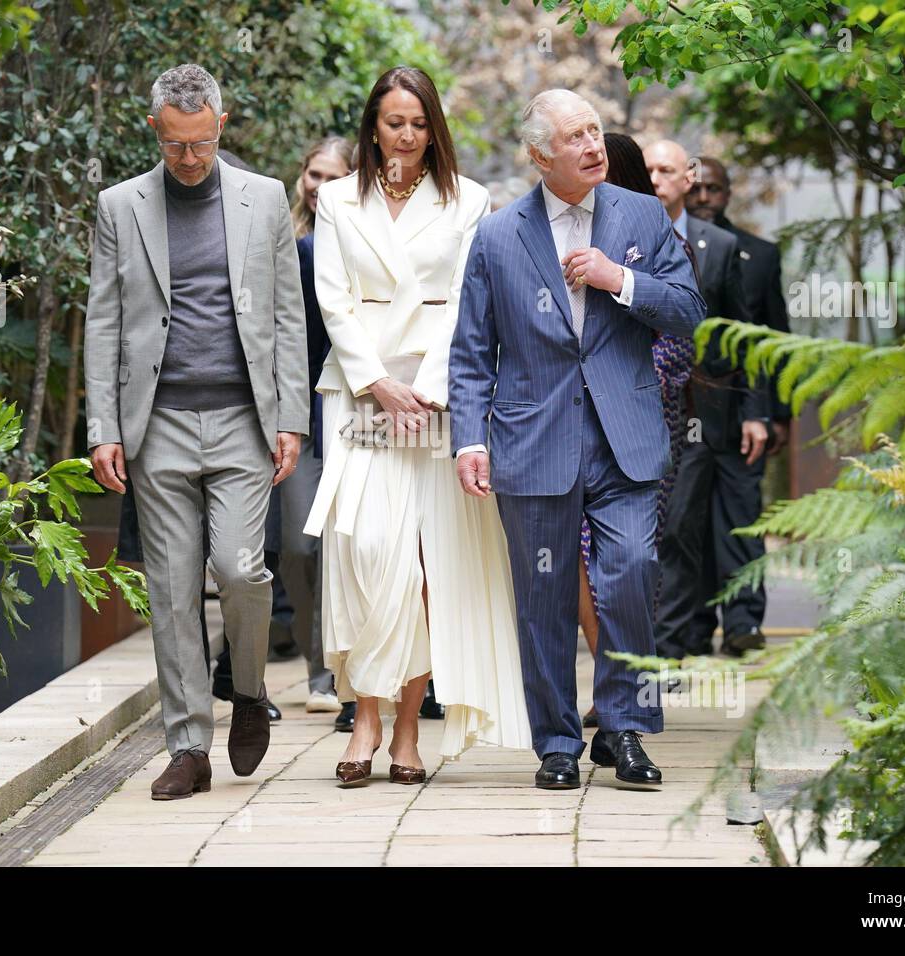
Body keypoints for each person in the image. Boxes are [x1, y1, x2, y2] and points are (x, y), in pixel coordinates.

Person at [450, 91, 705, 791]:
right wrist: (469, 441)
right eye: (575, 137)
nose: (594, 145)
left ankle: (623, 729)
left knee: (629, 572)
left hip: (625, 436)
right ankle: (557, 741)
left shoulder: (643, 215)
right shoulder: (499, 236)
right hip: (532, 442)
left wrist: (619, 278)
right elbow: (472, 352)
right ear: (539, 155)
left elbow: (688, 312)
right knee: (544, 597)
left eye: (596, 130)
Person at [84, 64, 309, 800]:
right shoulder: (121, 206)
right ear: (156, 128)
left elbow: (285, 316)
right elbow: (106, 321)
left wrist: (290, 418)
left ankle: (246, 690)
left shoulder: (265, 198)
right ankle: (187, 743)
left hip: (244, 420)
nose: (190, 159)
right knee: (173, 588)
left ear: (221, 122)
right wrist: (103, 428)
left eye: (202, 144)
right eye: (177, 145)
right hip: (159, 425)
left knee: (243, 570)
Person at [303, 66, 531, 786]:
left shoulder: (470, 200)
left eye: (419, 122)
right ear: (373, 125)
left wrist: (426, 390)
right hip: (362, 395)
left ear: (434, 127)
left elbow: (470, 300)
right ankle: (362, 709)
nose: (407, 134)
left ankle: (403, 728)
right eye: (394, 121)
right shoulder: (338, 200)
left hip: (435, 396)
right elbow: (333, 299)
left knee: (425, 567)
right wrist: (376, 383)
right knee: (367, 555)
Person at [576, 132, 697, 728]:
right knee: (577, 554)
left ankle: (629, 686)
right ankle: (613, 680)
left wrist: (620, 379)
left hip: (646, 419)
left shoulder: (656, 239)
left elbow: (679, 342)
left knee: (629, 558)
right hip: (573, 421)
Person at [643, 140, 766, 660]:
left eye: (665, 170)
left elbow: (745, 335)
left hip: (697, 412)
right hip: (635, 405)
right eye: (646, 169)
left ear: (687, 178)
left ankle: (668, 652)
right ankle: (647, 646)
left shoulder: (717, 245)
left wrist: (755, 412)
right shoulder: (622, 237)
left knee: (679, 531)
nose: (654, 179)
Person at [683, 155, 792, 652]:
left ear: (728, 194)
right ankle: (697, 626)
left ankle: (745, 622)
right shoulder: (669, 247)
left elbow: (771, 340)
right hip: (685, 412)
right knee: (690, 523)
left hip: (739, 411)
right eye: (697, 189)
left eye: (715, 189)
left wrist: (772, 414)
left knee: (743, 519)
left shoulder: (759, 255)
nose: (704, 197)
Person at [280, 135, 353, 718]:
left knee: (351, 542)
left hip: (360, 407)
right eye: (314, 175)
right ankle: (318, 664)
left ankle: (338, 674)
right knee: (300, 545)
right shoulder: (285, 244)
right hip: (299, 413)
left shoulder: (362, 244)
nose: (320, 186)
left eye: (334, 177)